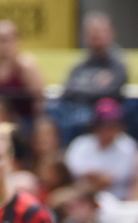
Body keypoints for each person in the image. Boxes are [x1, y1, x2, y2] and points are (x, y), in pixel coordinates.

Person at [53, 12, 129, 144]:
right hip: (74, 107)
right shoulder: (79, 64)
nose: (96, 35)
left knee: (80, 118)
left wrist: (83, 89)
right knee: (52, 110)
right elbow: (67, 91)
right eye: (92, 32)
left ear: (110, 33)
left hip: (101, 112)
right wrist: (94, 86)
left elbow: (112, 91)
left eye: (100, 31)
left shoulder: (118, 63)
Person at [63, 97, 138, 200]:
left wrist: (92, 176)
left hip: (118, 202)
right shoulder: (80, 144)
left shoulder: (128, 146)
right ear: (95, 126)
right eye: (103, 126)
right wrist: (96, 177)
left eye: (112, 126)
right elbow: (73, 172)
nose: (107, 131)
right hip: (83, 201)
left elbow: (112, 179)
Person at [0, 20, 44, 122]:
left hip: (23, 122)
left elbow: (39, 101)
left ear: (17, 40)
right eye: (0, 40)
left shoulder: (26, 66)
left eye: (7, 39)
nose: (4, 45)